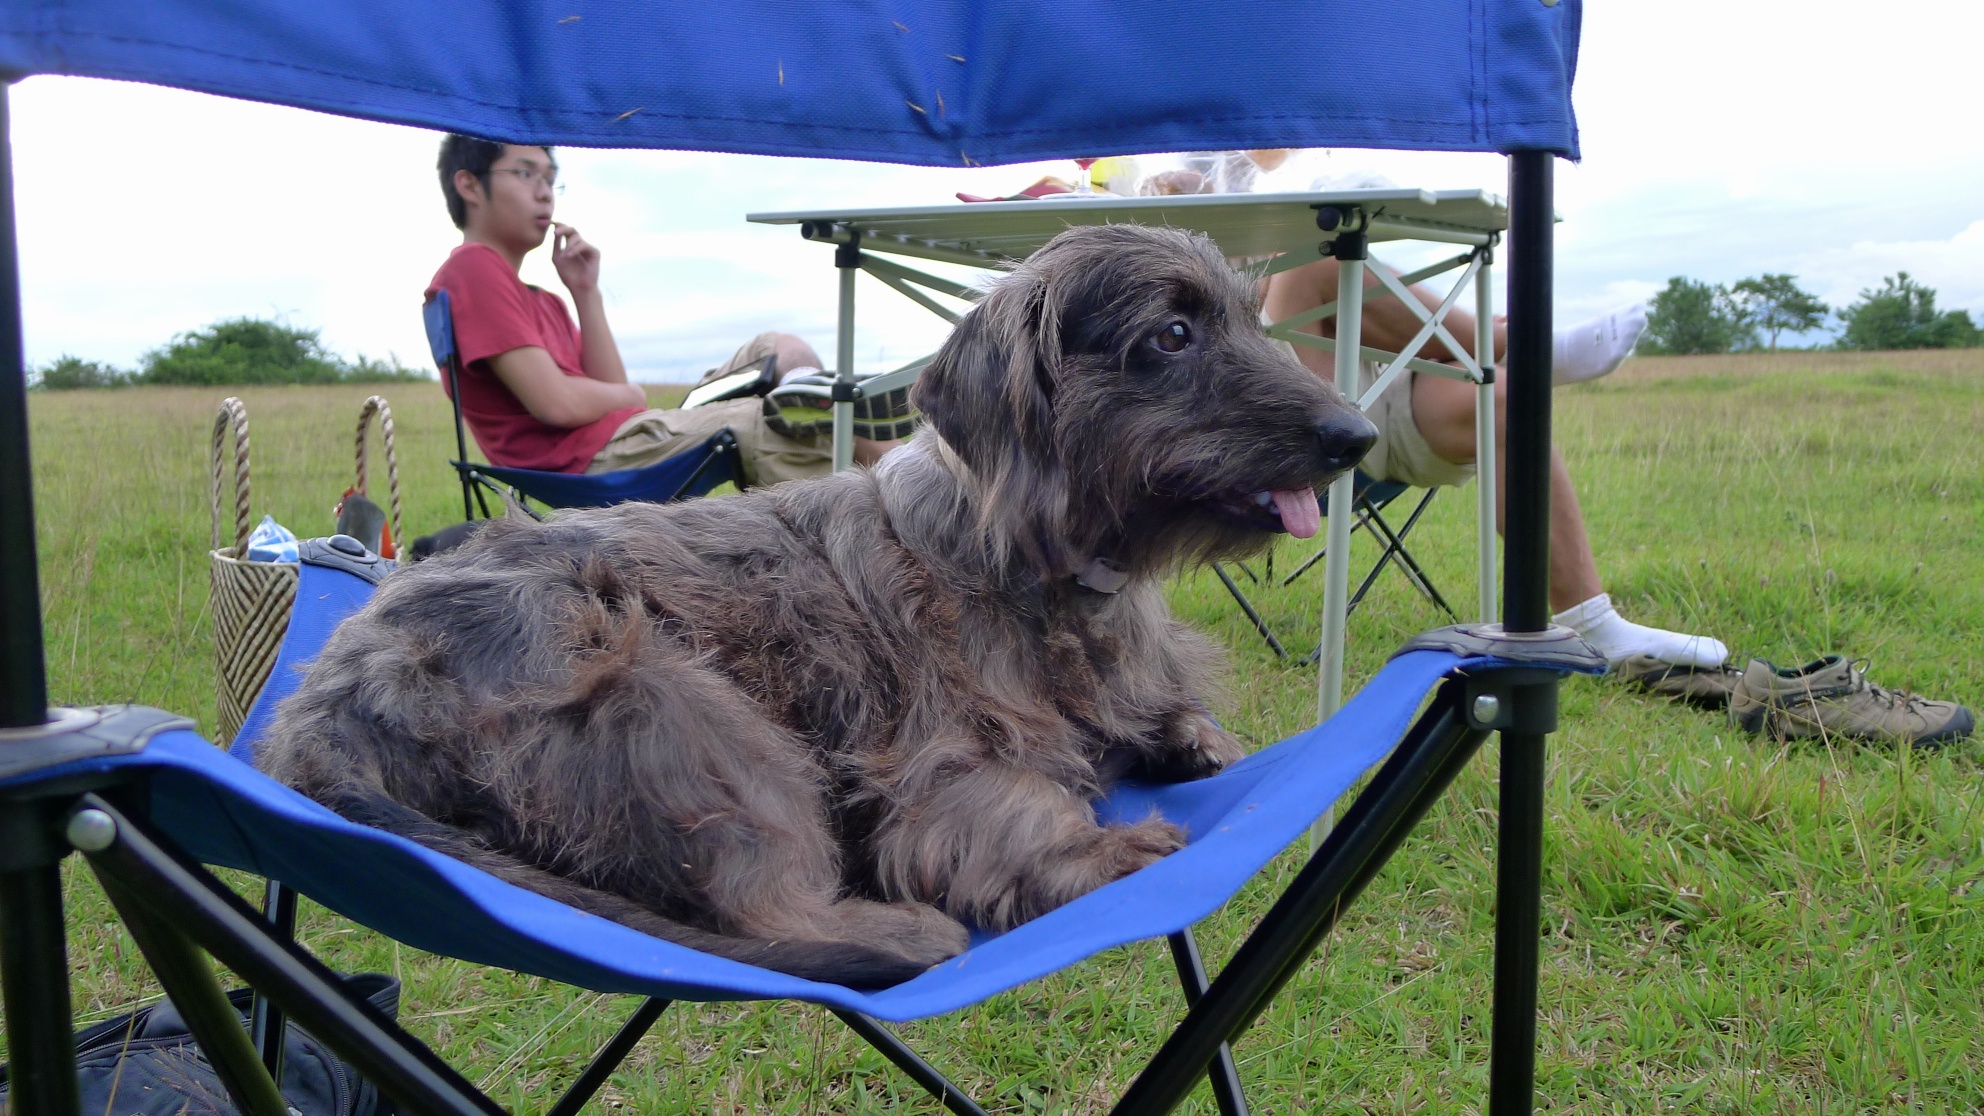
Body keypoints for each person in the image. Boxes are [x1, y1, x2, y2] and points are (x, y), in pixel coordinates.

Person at [424, 135, 896, 489]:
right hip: (588, 460)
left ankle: (820, 411)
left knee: (780, 349)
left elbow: (610, 394)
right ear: (469, 184)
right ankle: (897, 510)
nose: (545, 192)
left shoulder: (543, 300)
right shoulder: (473, 267)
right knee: (779, 422)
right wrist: (629, 394)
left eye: (550, 178)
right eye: (526, 174)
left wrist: (586, 292)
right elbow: (559, 403)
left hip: (628, 435)